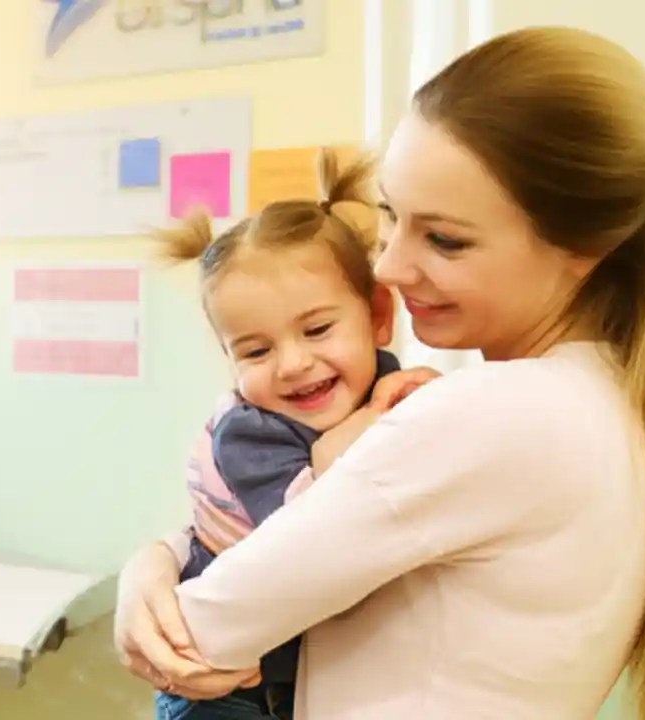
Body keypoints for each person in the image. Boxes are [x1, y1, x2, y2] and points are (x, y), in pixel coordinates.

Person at [115, 26, 645, 719]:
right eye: (391, 216)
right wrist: (161, 551)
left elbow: (190, 636)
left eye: (444, 239)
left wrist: (148, 573)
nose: (386, 268)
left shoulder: (498, 412)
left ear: (583, 248)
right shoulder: (610, 396)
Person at [152, 151, 436, 720]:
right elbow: (312, 529)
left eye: (318, 329)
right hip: (227, 687)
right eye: (256, 350)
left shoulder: (382, 380)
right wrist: (373, 417)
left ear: (378, 316)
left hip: (304, 674)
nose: (293, 364)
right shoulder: (246, 432)